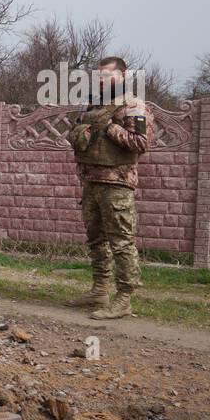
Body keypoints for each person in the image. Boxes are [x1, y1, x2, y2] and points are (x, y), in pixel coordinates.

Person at [64, 56, 154, 319]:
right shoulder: (91, 105)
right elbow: (77, 134)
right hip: (91, 181)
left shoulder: (133, 106)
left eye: (107, 76)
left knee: (122, 243)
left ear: (122, 77)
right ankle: (100, 290)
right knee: (96, 240)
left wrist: (110, 128)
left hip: (117, 184)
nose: (101, 81)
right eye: (99, 76)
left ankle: (124, 298)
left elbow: (140, 143)